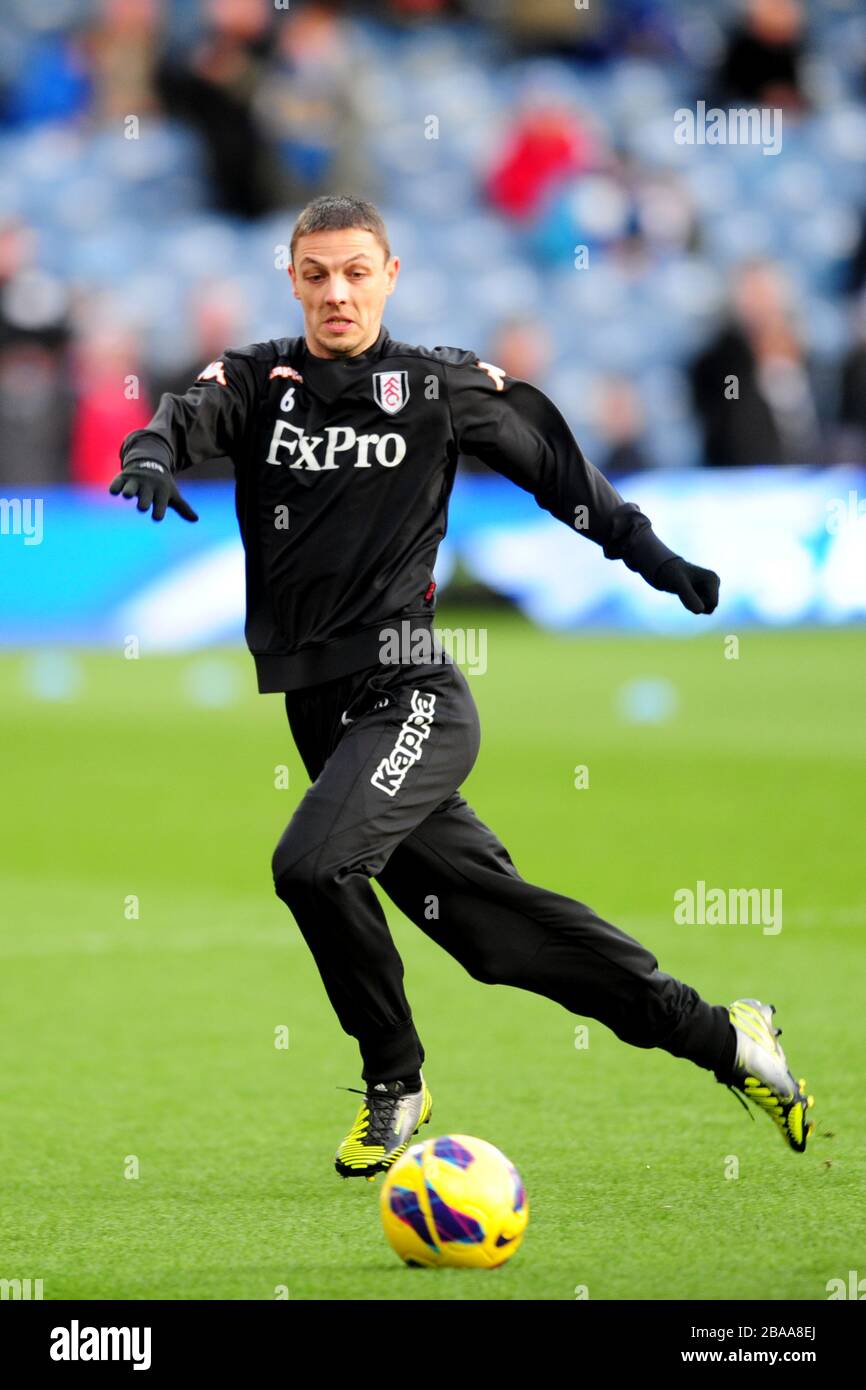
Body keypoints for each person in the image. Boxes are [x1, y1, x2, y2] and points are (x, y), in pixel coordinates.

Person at [110, 195, 815, 1179]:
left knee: (312, 865)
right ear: (293, 280)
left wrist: (650, 555)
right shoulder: (258, 379)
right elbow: (183, 418)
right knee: (494, 937)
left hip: (411, 698)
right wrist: (146, 451)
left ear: (390, 274)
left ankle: (393, 1076)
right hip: (321, 713)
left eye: (356, 271)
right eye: (316, 274)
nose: (336, 292)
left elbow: (556, 470)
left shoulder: (436, 385)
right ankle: (730, 1039)